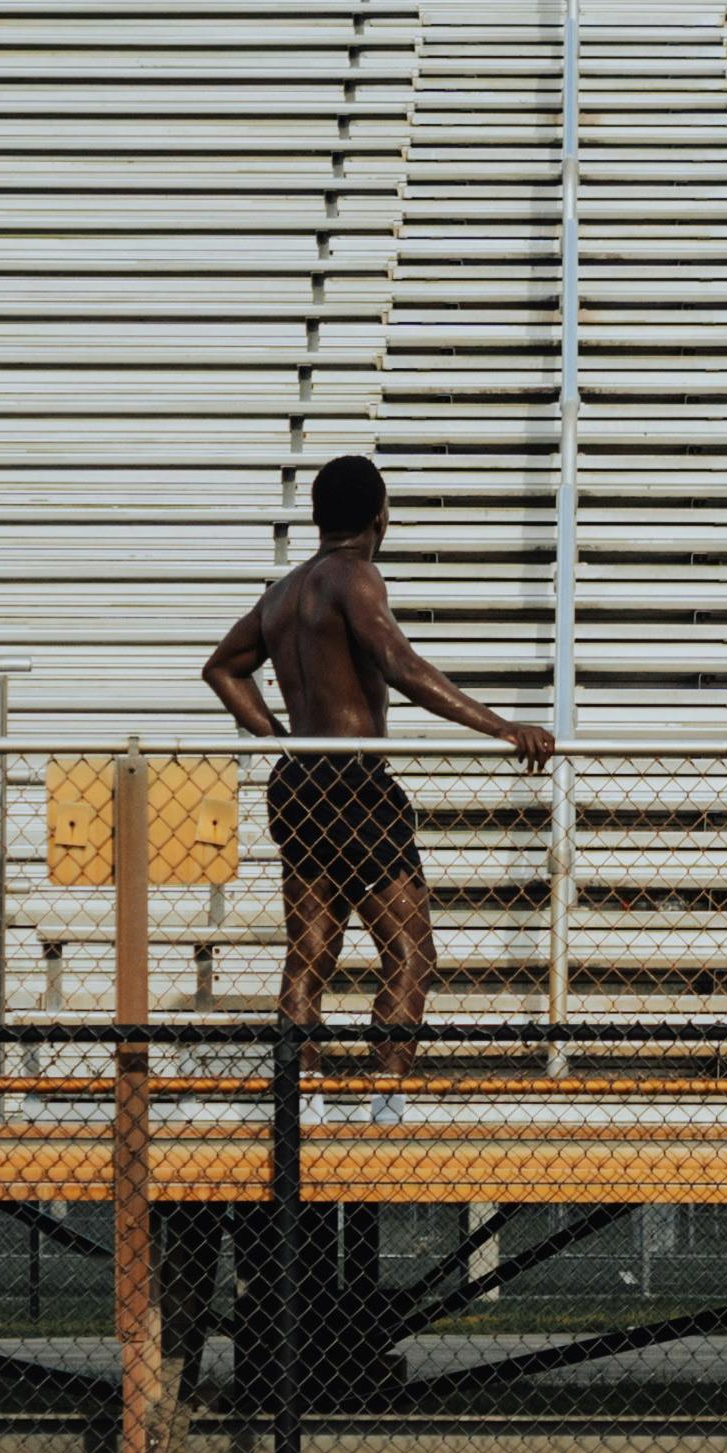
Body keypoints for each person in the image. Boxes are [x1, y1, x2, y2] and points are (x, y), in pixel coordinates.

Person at [200, 452, 558, 1096]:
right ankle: (383, 1095)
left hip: (300, 783)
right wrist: (501, 727)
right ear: (379, 518)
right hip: (357, 785)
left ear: (315, 518)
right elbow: (400, 664)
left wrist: (281, 739)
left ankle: (300, 1101)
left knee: (310, 953)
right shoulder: (355, 575)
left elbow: (222, 669)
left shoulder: (281, 594)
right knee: (412, 950)